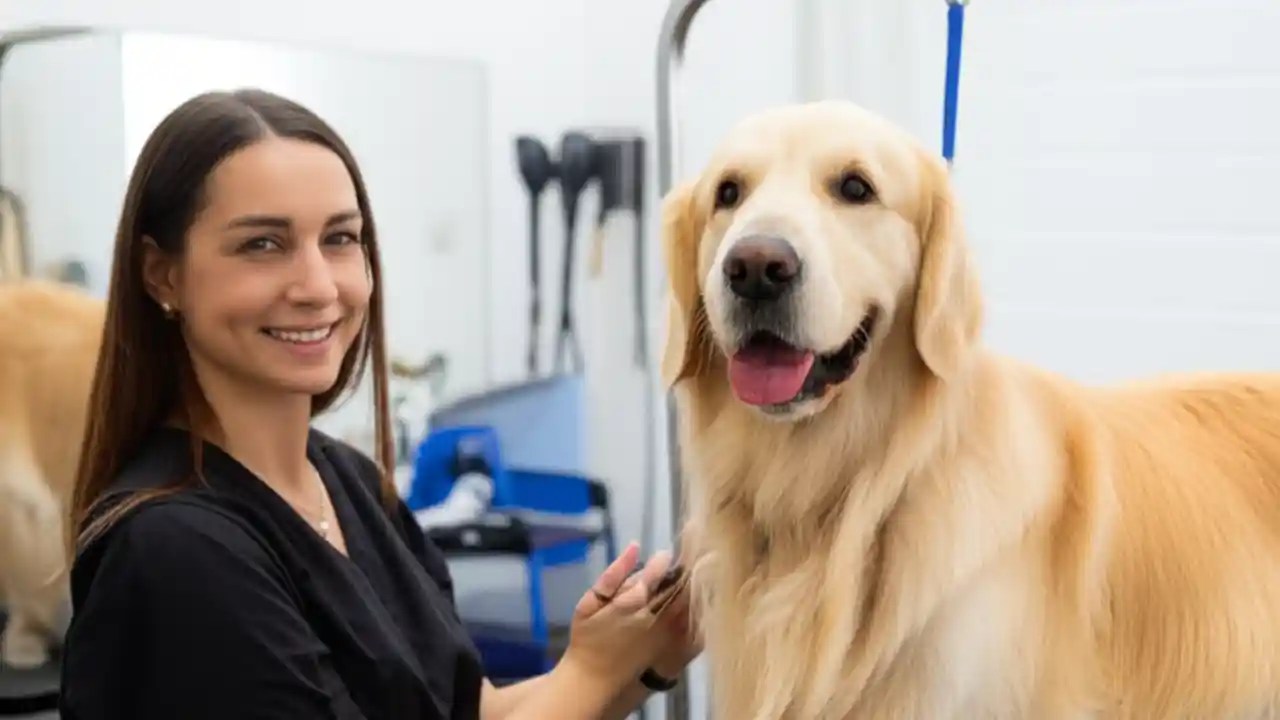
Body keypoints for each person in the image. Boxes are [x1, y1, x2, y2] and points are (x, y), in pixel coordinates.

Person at [57, 88, 701, 720]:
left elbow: (472, 710)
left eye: (339, 238)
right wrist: (589, 673)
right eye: (263, 244)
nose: (317, 286)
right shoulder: (175, 551)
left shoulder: (350, 483)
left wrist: (636, 658)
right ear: (161, 274)